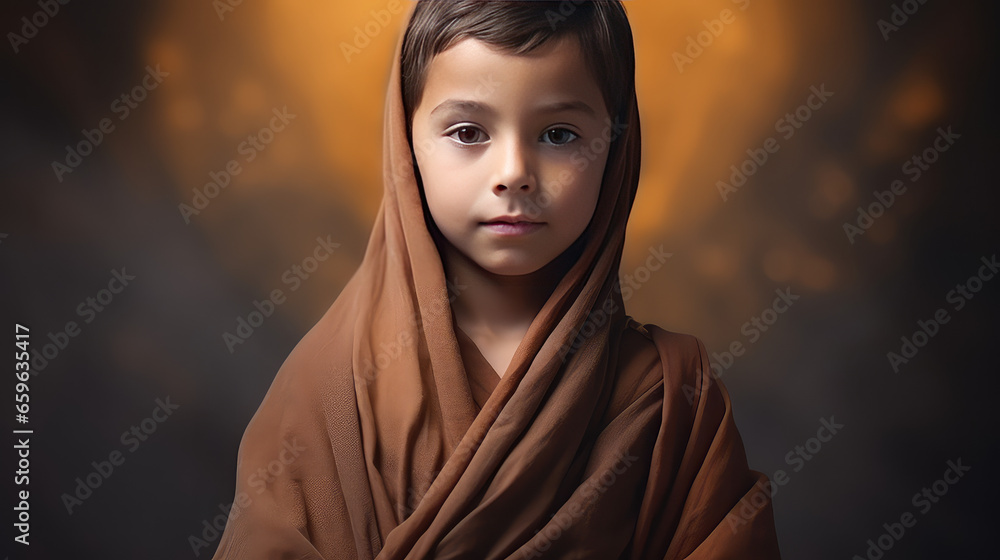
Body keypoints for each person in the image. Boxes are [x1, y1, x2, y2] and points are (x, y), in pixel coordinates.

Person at [210, 1, 781, 558]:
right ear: (406, 145)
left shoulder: (674, 396)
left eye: (559, 135)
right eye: (466, 132)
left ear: (617, 147)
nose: (513, 173)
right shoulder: (328, 388)